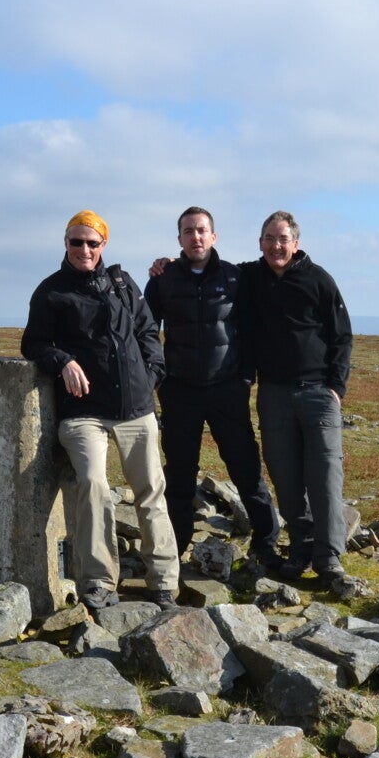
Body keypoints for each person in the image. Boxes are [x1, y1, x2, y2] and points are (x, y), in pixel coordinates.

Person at [21, 210, 179, 608]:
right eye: (77, 242)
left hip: (137, 409)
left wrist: (151, 374)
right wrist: (62, 360)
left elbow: (147, 332)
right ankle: (98, 582)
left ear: (103, 245)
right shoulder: (51, 291)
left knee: (151, 493)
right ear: (66, 243)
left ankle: (163, 582)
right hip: (83, 412)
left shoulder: (124, 284)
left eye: (93, 243)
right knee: (93, 486)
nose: (85, 250)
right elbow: (33, 343)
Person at [144, 206, 281, 568]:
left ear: (214, 236)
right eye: (188, 231)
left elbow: (250, 330)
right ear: (179, 239)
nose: (196, 237)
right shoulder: (163, 278)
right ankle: (174, 547)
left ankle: (267, 541)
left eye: (202, 230)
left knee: (245, 468)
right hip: (180, 391)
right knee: (180, 473)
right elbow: (145, 330)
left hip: (227, 390)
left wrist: (244, 378)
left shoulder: (236, 278)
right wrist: (157, 375)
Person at [240, 210, 354, 586]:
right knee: (285, 479)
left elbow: (342, 336)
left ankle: (329, 559)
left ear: (296, 243)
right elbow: (208, 269)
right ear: (260, 242)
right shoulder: (250, 277)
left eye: (283, 239)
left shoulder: (319, 279)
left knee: (324, 478)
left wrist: (336, 388)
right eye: (270, 238)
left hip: (318, 393)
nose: (276, 246)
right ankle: (302, 548)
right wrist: (168, 264)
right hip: (273, 394)